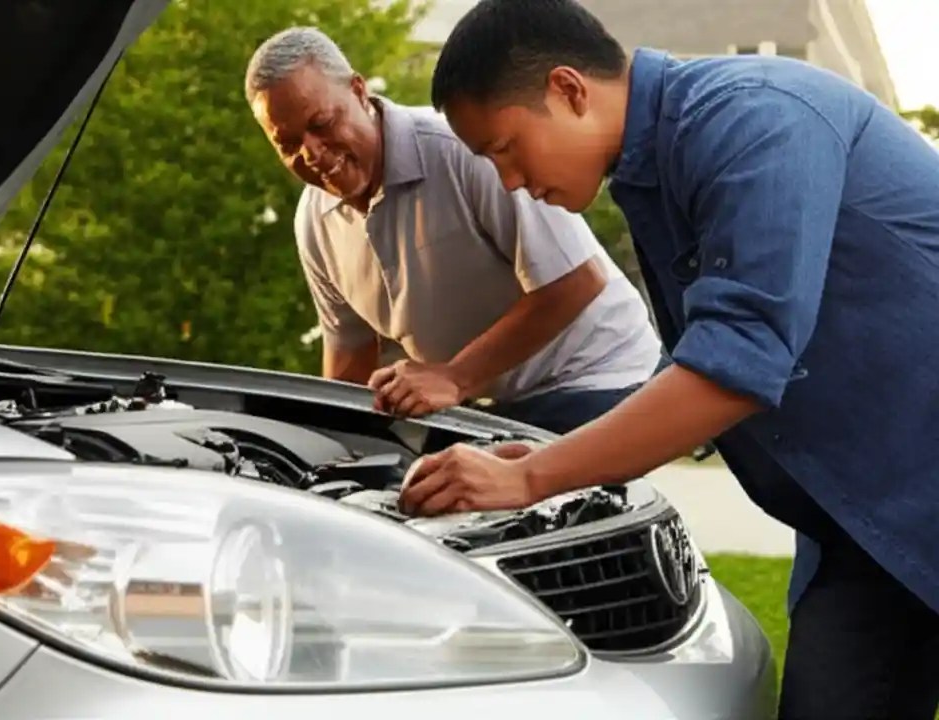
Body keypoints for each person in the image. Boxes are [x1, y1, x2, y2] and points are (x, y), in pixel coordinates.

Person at [401, 0, 939, 717]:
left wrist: (532, 478)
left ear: (568, 89)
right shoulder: (657, 165)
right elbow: (696, 361)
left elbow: (739, 361)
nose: (510, 182)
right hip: (863, 521)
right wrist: (548, 452)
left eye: (504, 149)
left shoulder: (755, 117)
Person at [243, 26, 664, 435]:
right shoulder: (313, 221)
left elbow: (576, 282)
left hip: (599, 376)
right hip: (490, 403)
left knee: (471, 492)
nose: (312, 153)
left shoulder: (464, 149)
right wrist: (330, 446)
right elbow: (351, 357)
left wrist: (454, 377)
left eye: (322, 124)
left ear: (358, 91)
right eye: (288, 143)